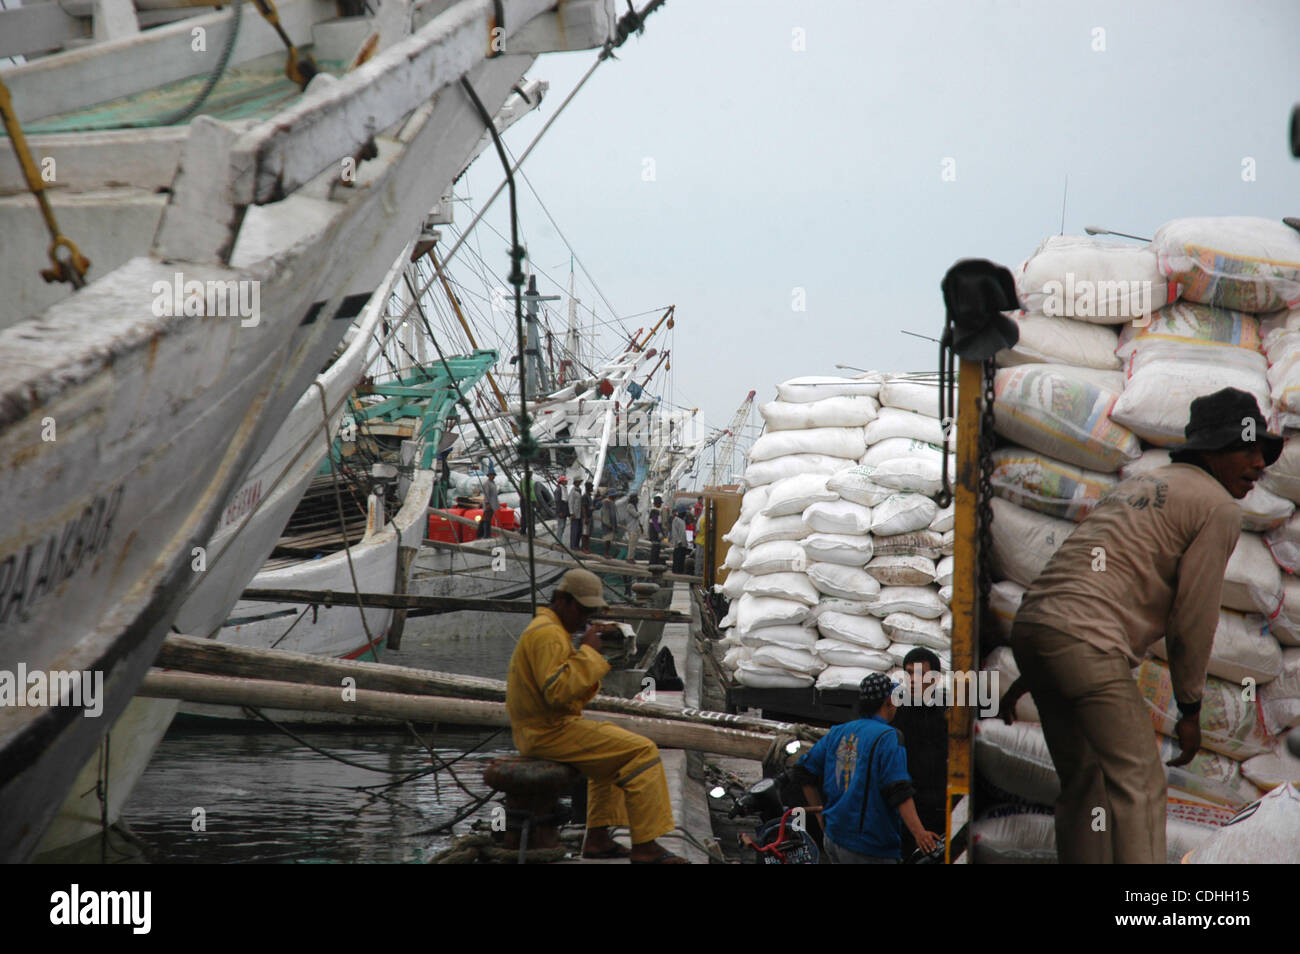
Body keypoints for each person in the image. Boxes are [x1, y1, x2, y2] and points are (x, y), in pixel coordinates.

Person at [1007, 387, 1275, 864]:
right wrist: (1190, 708)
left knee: (1085, 783)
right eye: (1247, 449)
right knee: (1142, 781)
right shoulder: (1218, 507)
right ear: (1213, 450)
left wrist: (1036, 670)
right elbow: (1193, 616)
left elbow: (1080, 583)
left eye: (1262, 452)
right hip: (1087, 645)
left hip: (1036, 631)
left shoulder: (1140, 486)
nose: (1258, 464)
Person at [505, 569, 689, 863]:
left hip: (545, 728)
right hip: (546, 731)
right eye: (583, 610)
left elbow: (564, 688)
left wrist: (590, 655)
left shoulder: (551, 630)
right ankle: (645, 845)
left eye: (590, 612)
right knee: (642, 751)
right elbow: (558, 691)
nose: (585, 618)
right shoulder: (549, 634)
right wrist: (589, 653)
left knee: (611, 759)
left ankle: (598, 840)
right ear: (563, 601)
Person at [792, 673, 940, 863]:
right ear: (889, 701)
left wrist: (821, 815)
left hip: (833, 839)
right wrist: (919, 833)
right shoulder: (889, 737)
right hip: (869, 847)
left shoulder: (839, 731)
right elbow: (899, 790)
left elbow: (804, 772)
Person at [890, 647, 948, 859]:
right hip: (906, 807)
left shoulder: (947, 712)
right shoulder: (894, 712)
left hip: (941, 807)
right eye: (908, 673)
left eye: (921, 674)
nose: (913, 680)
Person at [477, 463, 499, 539]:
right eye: (491, 475)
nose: (492, 476)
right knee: (486, 518)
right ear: (489, 476)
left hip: (493, 504)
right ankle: (485, 535)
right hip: (489, 504)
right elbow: (486, 494)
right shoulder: (487, 484)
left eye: (493, 475)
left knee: (489, 519)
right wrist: (487, 503)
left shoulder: (493, 483)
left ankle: (488, 534)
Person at [621, 493, 641, 564]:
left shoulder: (634, 506)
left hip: (635, 528)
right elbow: (636, 515)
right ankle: (629, 558)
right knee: (632, 544)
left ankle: (631, 558)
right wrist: (639, 513)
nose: (638, 500)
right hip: (632, 528)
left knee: (634, 544)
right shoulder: (630, 506)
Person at [670, 506, 688, 574]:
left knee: (682, 557)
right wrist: (678, 541)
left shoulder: (683, 520)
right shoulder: (676, 520)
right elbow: (675, 532)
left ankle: (680, 570)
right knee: (677, 556)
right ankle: (676, 570)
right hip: (678, 543)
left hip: (683, 542)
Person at [600, 491, 619, 557]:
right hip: (608, 525)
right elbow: (605, 515)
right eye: (615, 496)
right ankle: (606, 553)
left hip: (611, 524)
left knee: (610, 540)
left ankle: (607, 553)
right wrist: (609, 524)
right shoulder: (606, 503)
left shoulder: (611, 502)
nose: (616, 497)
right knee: (607, 540)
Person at [647, 495, 664, 566]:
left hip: (655, 532)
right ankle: (653, 562)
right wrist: (659, 532)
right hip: (654, 533)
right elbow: (655, 522)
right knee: (655, 548)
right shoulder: (654, 511)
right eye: (660, 503)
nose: (660, 504)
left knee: (657, 548)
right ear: (657, 503)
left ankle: (655, 562)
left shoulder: (657, 511)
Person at [569, 478, 584, 551]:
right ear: (575, 482)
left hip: (579, 513)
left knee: (579, 530)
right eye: (579, 482)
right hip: (575, 514)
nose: (580, 483)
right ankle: (573, 545)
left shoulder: (579, 490)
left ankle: (577, 545)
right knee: (574, 530)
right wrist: (571, 512)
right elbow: (570, 502)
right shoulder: (573, 491)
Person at [581, 481, 594, 553]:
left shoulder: (589, 496)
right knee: (585, 534)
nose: (592, 488)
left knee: (588, 534)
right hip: (586, 517)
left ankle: (587, 548)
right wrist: (585, 518)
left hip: (589, 516)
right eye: (592, 487)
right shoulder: (585, 496)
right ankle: (583, 548)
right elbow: (583, 507)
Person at [554, 476, 569, 542]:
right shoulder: (558, 490)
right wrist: (559, 511)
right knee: (561, 525)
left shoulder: (564, 488)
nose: (567, 481)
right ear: (562, 481)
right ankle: (558, 540)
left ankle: (560, 539)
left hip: (564, 510)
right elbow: (557, 501)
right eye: (565, 480)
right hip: (561, 510)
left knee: (563, 526)